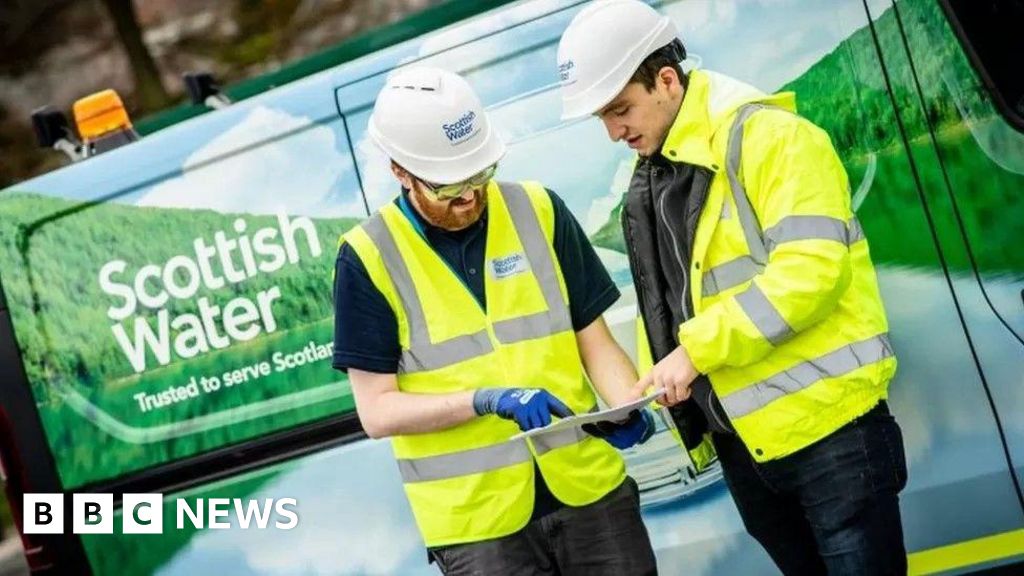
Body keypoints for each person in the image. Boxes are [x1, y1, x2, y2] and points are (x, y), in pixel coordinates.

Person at [556, 1, 908, 574]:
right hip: (745, 446)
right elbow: (674, 302)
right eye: (602, 116)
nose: (613, 130)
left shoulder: (773, 138)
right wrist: (649, 387)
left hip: (831, 437)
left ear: (666, 79)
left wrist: (695, 353)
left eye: (620, 108)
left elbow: (812, 272)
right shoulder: (656, 176)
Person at [332, 66, 658, 576]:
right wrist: (484, 401)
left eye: (479, 174)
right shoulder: (367, 257)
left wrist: (624, 405)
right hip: (480, 528)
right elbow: (377, 412)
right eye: (448, 186)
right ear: (400, 171)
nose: (469, 197)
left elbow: (592, 341)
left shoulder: (539, 209)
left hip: (591, 493)